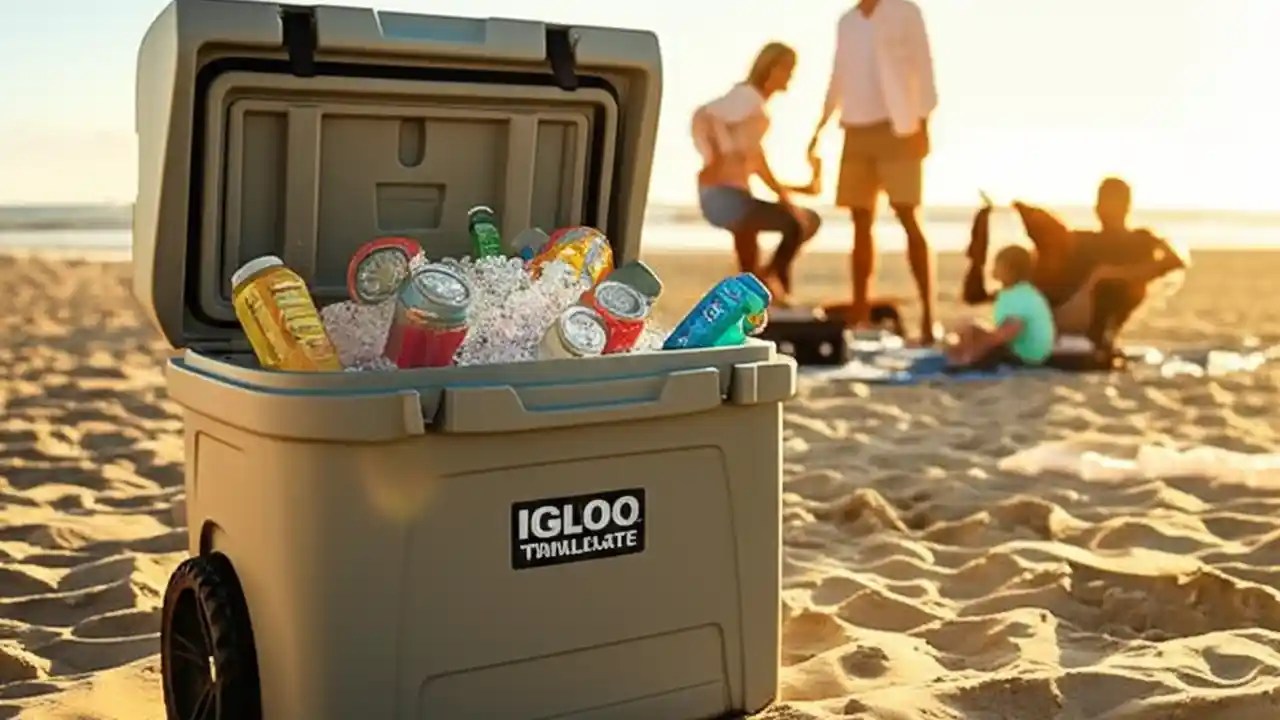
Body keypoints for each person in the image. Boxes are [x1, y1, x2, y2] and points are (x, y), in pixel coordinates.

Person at [808, 0, 939, 342]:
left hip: (900, 129)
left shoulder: (905, 11)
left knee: (908, 216)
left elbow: (923, 67)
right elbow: (838, 73)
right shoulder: (847, 21)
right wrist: (821, 125)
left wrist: (923, 123)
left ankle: (928, 317)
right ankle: (861, 315)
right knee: (860, 222)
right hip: (855, 128)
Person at [963, 178, 1188, 351]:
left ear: (1126, 206)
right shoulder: (1085, 239)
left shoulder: (1141, 239)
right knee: (1022, 270)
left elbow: (1177, 258)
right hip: (1064, 302)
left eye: (1110, 202)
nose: (1102, 208)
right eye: (1101, 202)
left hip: (1095, 316)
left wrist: (1113, 274)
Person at [693, 42, 822, 305]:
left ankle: (761, 295)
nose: (791, 77)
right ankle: (772, 288)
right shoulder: (748, 97)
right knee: (795, 225)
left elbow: (757, 160)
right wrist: (718, 156)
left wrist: (782, 193)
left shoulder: (754, 106)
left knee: (790, 228)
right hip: (723, 197)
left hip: (733, 194)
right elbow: (703, 115)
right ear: (771, 68)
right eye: (788, 69)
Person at [947, 245, 1055, 368]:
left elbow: (1011, 329)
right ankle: (962, 354)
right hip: (1020, 348)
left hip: (1026, 356)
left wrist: (978, 348)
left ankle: (965, 358)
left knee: (971, 332)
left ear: (1010, 270)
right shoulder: (1015, 291)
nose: (993, 269)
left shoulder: (1019, 296)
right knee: (969, 329)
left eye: (997, 265)